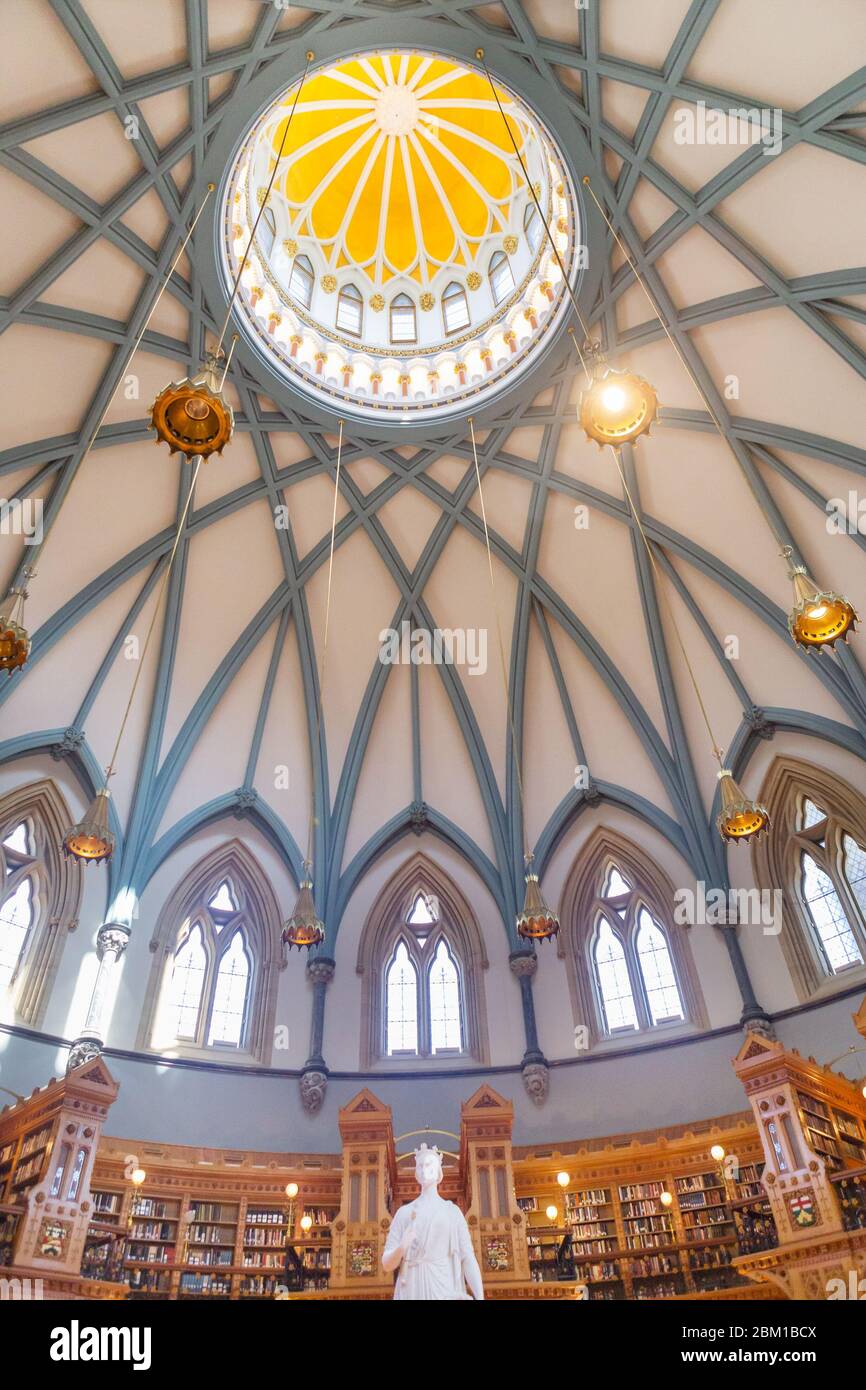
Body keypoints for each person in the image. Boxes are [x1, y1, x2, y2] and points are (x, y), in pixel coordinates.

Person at [381, 1144, 484, 1300]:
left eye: (428, 1164)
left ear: (438, 1172)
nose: (423, 1169)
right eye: (420, 1166)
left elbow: (468, 1257)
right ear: (416, 1173)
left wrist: (480, 1296)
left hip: (443, 1285)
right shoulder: (404, 1213)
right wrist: (402, 1247)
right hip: (411, 1287)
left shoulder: (452, 1212)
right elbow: (386, 1264)